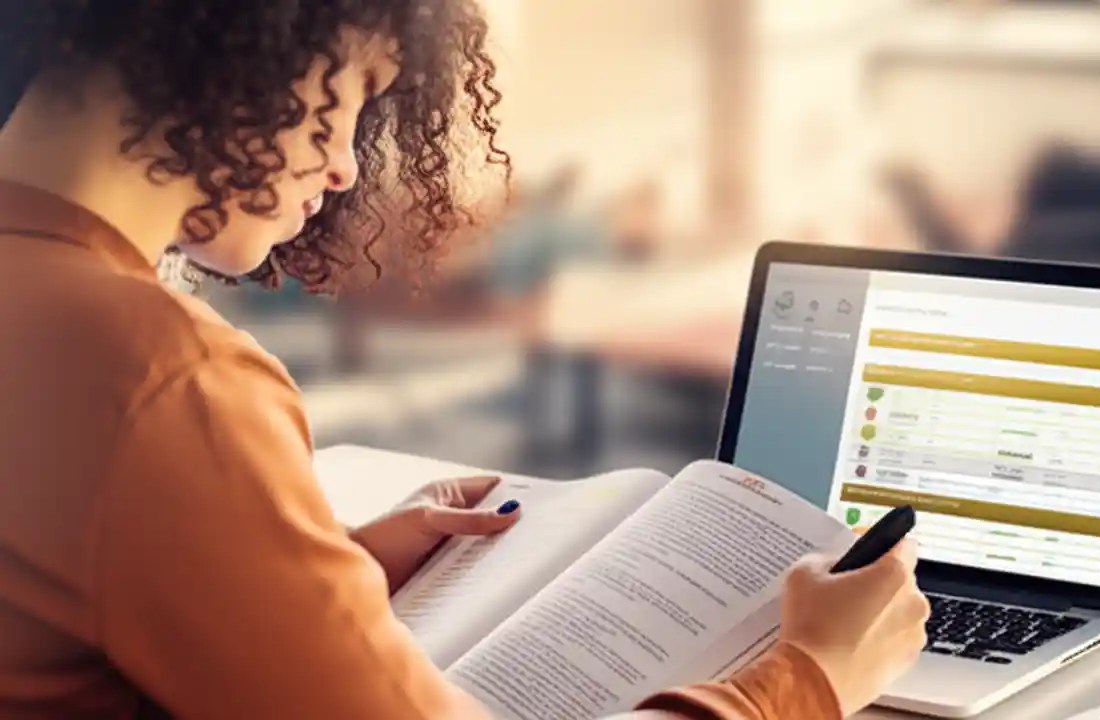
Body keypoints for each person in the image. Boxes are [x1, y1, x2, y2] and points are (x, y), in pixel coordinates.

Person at [0, 2, 928, 719]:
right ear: (248, 49)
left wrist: (323, 575)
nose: (345, 172)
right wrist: (807, 676)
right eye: (353, 95)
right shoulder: (161, 378)